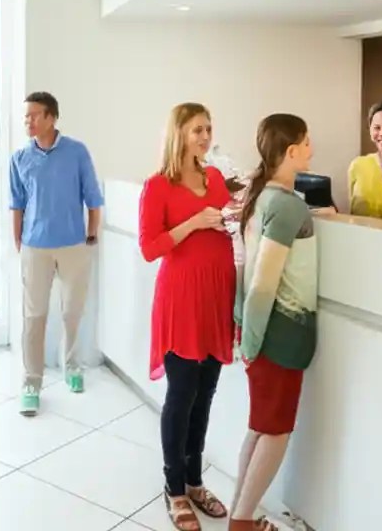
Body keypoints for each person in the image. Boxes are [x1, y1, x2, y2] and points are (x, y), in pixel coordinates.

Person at [139, 102, 236, 531]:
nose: (205, 136)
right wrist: (195, 222)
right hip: (181, 301)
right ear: (178, 133)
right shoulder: (158, 185)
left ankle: (195, 481)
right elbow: (150, 248)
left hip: (216, 298)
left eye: (209, 128)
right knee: (182, 394)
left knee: (206, 393)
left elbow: (228, 223)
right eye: (197, 129)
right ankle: (174, 487)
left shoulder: (215, 178)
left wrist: (233, 217)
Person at [230, 114, 320, 531]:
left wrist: (245, 334)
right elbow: (263, 283)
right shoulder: (286, 205)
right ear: (291, 151)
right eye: (307, 141)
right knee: (276, 431)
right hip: (278, 336)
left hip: (264, 334)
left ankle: (240, 515)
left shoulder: (264, 196)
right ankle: (242, 521)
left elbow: (247, 273)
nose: (312, 147)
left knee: (260, 427)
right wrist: (250, 343)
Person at [10, 91, 104, 416]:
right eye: (26, 116)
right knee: (33, 316)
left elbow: (93, 197)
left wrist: (91, 233)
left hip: (74, 245)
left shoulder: (77, 152)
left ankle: (73, 366)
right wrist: (18, 241)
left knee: (72, 312)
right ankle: (31, 382)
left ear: (51, 117)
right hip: (35, 247)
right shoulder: (19, 158)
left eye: (34, 115)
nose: (28, 121)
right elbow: (16, 203)